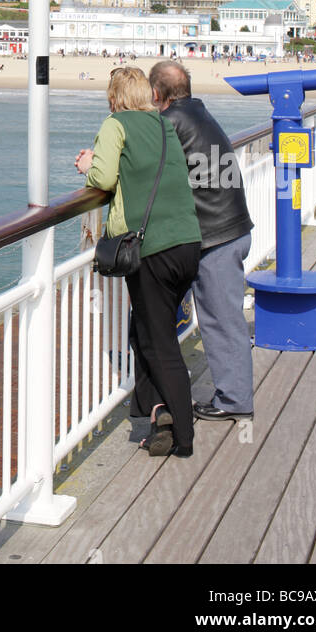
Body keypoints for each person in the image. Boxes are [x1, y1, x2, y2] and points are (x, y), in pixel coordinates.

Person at [75, 67, 201, 457]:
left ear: (115, 97)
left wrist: (87, 165)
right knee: (146, 333)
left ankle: (184, 436)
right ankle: (153, 414)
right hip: (187, 244)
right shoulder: (163, 125)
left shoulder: (116, 124)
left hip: (152, 251)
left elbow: (106, 176)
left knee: (160, 343)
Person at [148, 60, 254, 422]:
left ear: (156, 94)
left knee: (221, 320)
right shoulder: (199, 113)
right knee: (219, 317)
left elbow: (146, 165)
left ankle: (234, 400)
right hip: (233, 227)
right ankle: (228, 393)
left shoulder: (170, 122)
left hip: (218, 235)